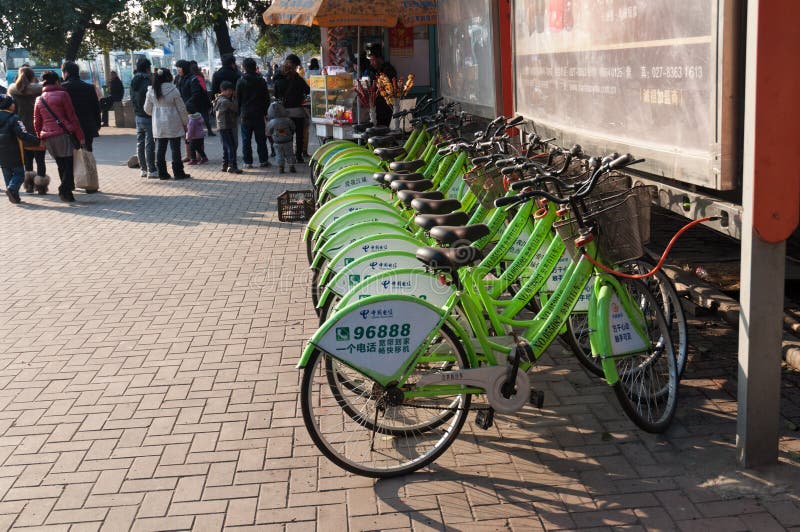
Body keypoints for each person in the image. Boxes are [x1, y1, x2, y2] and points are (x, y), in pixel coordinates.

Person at [33, 70, 85, 202]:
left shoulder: (39, 99)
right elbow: (72, 116)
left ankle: (66, 194)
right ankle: (63, 189)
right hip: (64, 134)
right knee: (68, 164)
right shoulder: (63, 94)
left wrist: (40, 137)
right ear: (56, 81)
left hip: (49, 137)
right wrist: (80, 136)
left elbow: (37, 121)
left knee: (61, 164)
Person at [143, 68, 191, 180]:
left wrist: (155, 113)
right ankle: (178, 173)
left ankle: (162, 173)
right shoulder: (173, 90)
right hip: (173, 122)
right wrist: (185, 122)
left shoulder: (151, 91)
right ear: (168, 77)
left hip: (158, 124)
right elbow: (182, 109)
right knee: (175, 149)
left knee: (160, 149)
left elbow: (147, 109)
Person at [8, 66, 49, 193]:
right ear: (32, 77)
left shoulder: (14, 91)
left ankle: (29, 185)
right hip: (39, 128)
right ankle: (41, 187)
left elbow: (12, 111)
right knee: (40, 159)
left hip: (21, 130)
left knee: (27, 160)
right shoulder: (40, 91)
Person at [0, 95, 40, 204]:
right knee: (20, 174)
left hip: (1, 153)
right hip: (14, 151)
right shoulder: (14, 118)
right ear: (8, 105)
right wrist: (37, 140)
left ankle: (14, 196)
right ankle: (12, 189)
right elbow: (23, 134)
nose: (14, 105)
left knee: (7, 172)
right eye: (12, 103)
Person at [273, 54, 310, 164]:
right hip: (297, 111)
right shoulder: (298, 79)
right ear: (294, 67)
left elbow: (275, 94)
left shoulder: (278, 79)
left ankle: (287, 156)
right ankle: (299, 156)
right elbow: (308, 90)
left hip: (284, 112)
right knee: (299, 134)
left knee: (286, 135)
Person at [236, 58, 270, 169]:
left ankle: (248, 161)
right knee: (261, 138)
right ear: (255, 67)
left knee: (246, 139)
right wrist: (265, 112)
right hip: (259, 113)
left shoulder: (240, 81)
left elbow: (238, 99)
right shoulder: (261, 80)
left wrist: (239, 112)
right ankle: (263, 160)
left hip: (245, 114)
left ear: (244, 67)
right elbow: (266, 98)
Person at [61, 61, 101, 152]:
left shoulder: (62, 88)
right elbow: (96, 108)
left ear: (66, 72)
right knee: (87, 153)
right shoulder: (89, 87)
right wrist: (97, 124)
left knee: (72, 156)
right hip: (87, 126)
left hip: (69, 127)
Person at [131, 58, 157, 178]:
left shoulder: (134, 80)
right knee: (149, 143)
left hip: (138, 115)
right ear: (147, 68)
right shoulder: (147, 81)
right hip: (147, 115)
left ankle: (143, 169)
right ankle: (151, 169)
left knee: (140, 142)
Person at [364, 43, 397, 127]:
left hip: (386, 109)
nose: (371, 63)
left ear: (379, 59)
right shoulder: (374, 71)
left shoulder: (388, 70)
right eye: (370, 60)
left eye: (372, 60)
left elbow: (389, 90)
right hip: (377, 109)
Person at [214, 81, 241, 174]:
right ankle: (233, 166)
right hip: (226, 126)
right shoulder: (225, 101)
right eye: (228, 90)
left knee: (226, 147)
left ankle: (225, 165)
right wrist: (235, 99)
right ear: (223, 91)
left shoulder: (219, 99)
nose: (230, 92)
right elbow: (236, 109)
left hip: (222, 126)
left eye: (231, 90)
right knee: (231, 147)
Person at [266, 101, 296, 174]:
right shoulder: (288, 120)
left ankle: (281, 167)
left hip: (277, 142)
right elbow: (293, 128)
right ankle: (291, 166)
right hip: (288, 140)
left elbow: (268, 132)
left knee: (279, 154)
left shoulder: (271, 122)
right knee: (290, 153)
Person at [189, 61, 214, 136]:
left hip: (195, 100)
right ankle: (209, 131)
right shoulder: (200, 76)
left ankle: (198, 132)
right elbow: (204, 88)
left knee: (195, 117)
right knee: (205, 115)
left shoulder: (191, 78)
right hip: (202, 99)